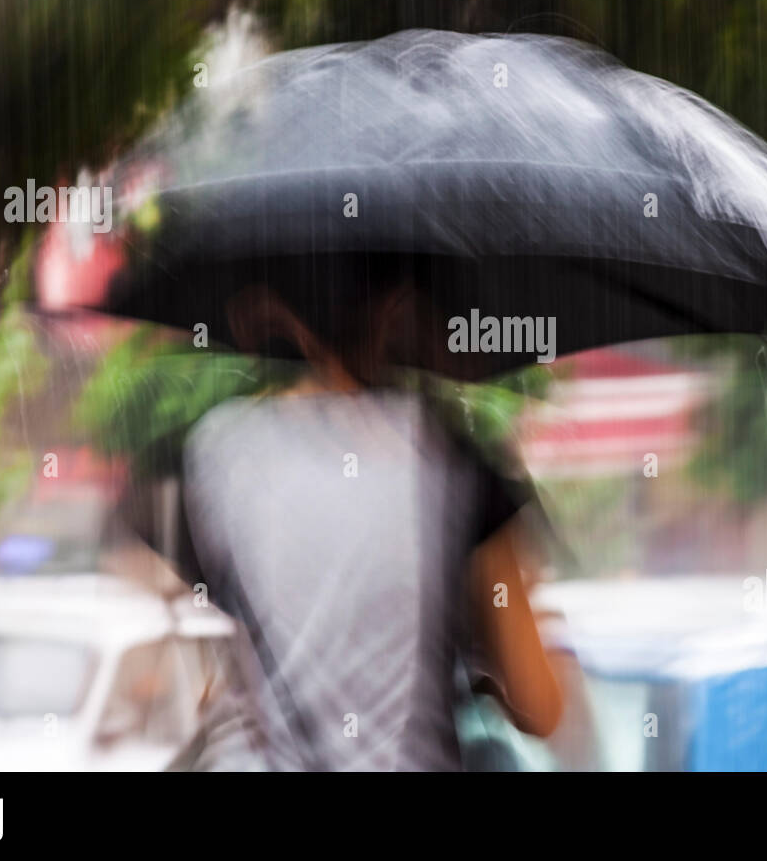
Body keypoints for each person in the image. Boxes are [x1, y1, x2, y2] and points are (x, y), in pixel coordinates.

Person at [171, 274, 563, 771]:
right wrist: (481, 679)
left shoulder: (220, 450)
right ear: (399, 307)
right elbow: (540, 704)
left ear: (272, 314)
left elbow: (191, 680)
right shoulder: (453, 460)